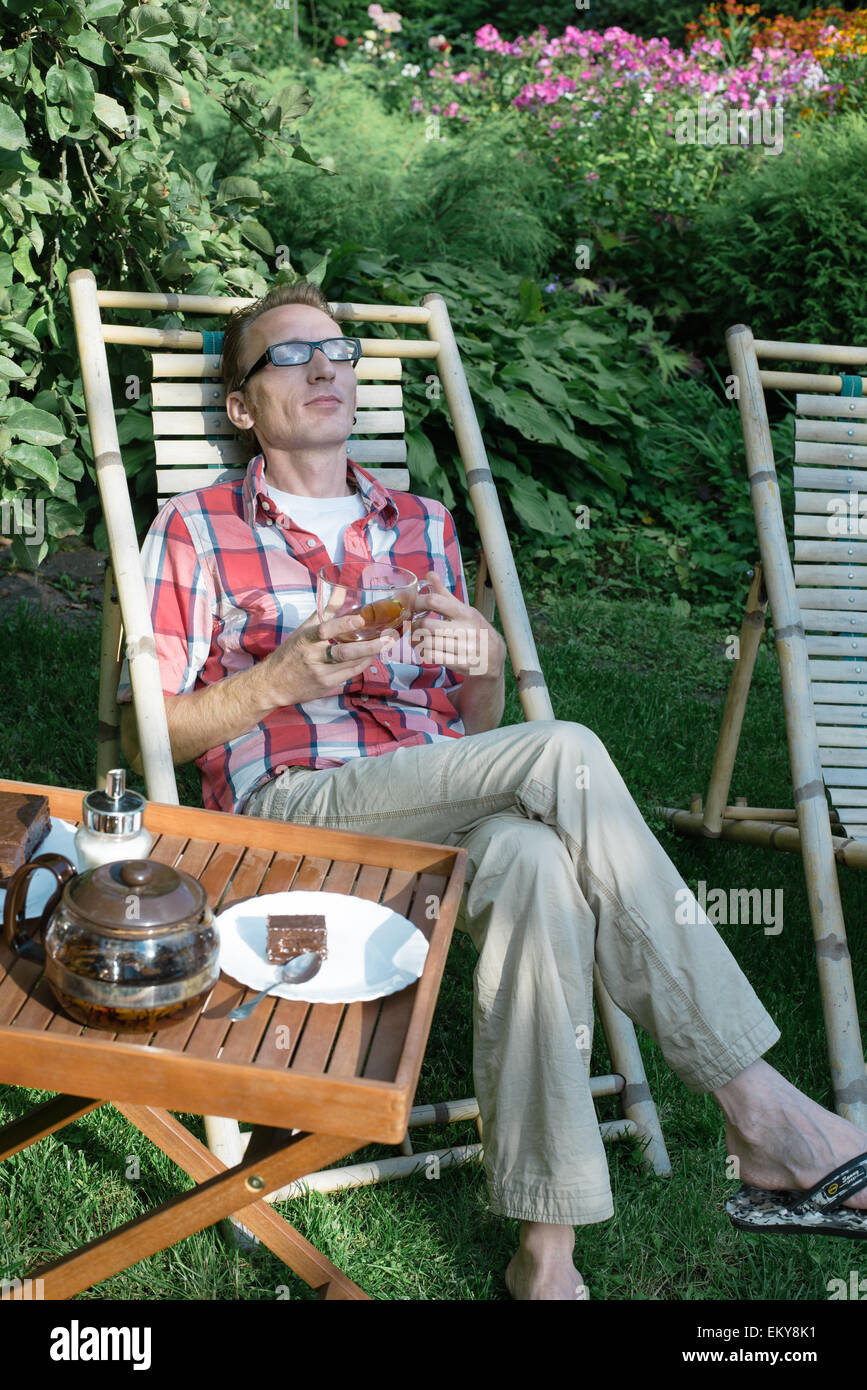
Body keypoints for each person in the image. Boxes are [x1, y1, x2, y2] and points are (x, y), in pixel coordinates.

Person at [120, 281, 867, 1299]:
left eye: (337, 350)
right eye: (291, 356)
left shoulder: (420, 524)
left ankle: (545, 1253)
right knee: (559, 751)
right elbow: (145, 725)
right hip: (291, 808)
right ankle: (764, 1108)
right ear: (243, 407)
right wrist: (279, 681)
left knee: (533, 864)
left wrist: (480, 665)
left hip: (428, 805)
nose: (326, 367)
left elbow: (472, 744)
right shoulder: (197, 528)